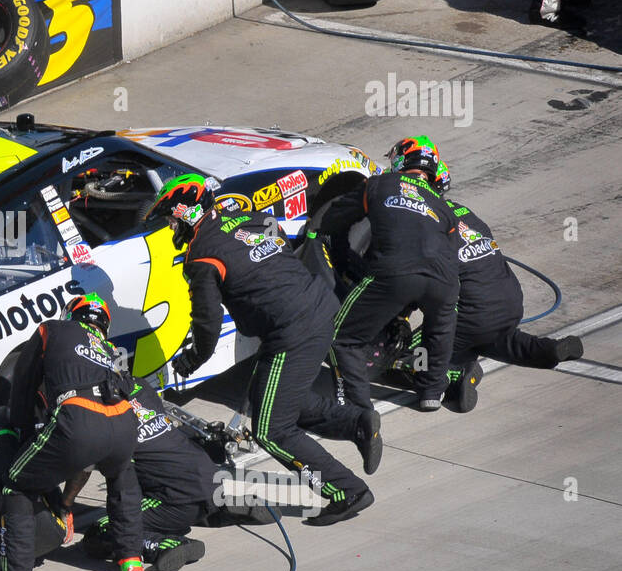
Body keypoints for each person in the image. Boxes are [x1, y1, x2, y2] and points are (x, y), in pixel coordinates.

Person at [157, 173, 379, 526]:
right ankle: (356, 422)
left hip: (293, 333)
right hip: (319, 309)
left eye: (170, 219)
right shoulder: (244, 219)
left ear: (184, 213)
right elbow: (271, 240)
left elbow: (207, 322)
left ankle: (347, 491)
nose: (171, 228)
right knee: (271, 400)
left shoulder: (201, 257)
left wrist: (193, 359)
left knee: (270, 429)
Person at [0, 293, 144, 571]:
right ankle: (130, 557)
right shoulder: (113, 350)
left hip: (80, 419)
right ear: (104, 324)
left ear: (71, 313)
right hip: (125, 423)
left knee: (14, 484)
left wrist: (20, 428)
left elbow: (24, 382)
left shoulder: (52, 329)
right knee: (122, 473)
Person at [393, 161, 584, 411]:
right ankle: (548, 350)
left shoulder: (423, 221)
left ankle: (454, 376)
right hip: (510, 301)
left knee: (404, 356)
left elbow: (417, 277)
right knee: (498, 340)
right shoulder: (466, 213)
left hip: (472, 313)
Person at [319, 136, 461, 413]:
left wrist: (337, 252)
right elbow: (452, 252)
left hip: (396, 274)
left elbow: (335, 218)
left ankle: (357, 408)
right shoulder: (444, 207)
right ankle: (432, 392)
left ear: (401, 158)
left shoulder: (378, 184)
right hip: (444, 283)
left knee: (342, 337)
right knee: (438, 331)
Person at [74, 382, 276, 571]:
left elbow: (82, 468)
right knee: (162, 485)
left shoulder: (95, 417)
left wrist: (64, 506)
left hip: (177, 497)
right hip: (210, 478)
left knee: (101, 531)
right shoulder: (141, 387)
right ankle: (221, 509)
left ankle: (166, 545)